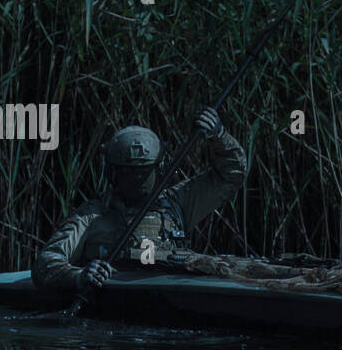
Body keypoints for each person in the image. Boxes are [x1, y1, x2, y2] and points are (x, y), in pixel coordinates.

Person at [32, 107, 246, 292]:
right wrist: (79, 276)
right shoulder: (92, 216)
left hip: (172, 295)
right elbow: (46, 263)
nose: (137, 181)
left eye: (143, 173)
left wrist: (219, 135)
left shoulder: (179, 201)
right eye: (130, 173)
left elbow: (233, 173)